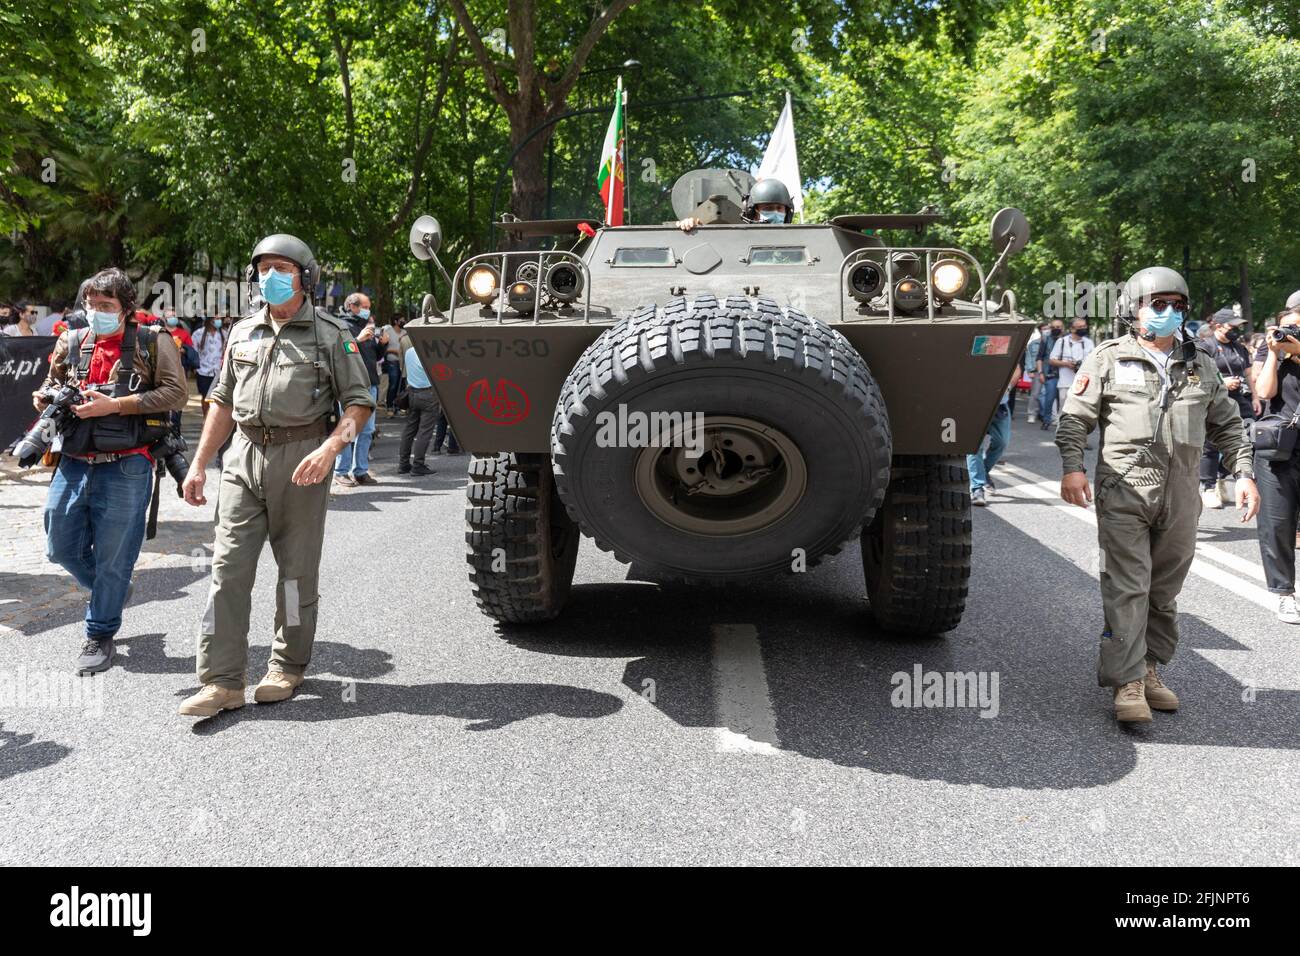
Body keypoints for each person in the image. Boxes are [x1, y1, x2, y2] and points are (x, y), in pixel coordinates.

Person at [178, 234, 374, 717]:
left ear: (304, 277)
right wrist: (200, 463)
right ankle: (222, 681)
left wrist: (332, 447)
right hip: (242, 459)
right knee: (227, 572)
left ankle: (286, 665)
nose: (270, 277)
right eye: (263, 268)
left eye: (281, 268)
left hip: (302, 459)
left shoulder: (332, 334)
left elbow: (360, 403)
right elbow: (221, 401)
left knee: (294, 574)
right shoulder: (243, 332)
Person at [1056, 266, 1259, 723]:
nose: (1169, 313)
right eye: (1159, 304)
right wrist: (1072, 469)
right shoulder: (1108, 358)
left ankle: (1149, 668)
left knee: (1164, 590)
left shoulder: (1200, 364)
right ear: (1134, 310)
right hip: (1126, 487)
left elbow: (1226, 425)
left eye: (1178, 306)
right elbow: (1074, 420)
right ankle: (1125, 683)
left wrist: (1243, 472)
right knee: (1129, 586)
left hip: (1183, 491)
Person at [36, 268, 188, 673]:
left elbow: (176, 393)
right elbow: (52, 383)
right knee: (59, 546)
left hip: (128, 464)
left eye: (106, 306)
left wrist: (115, 405)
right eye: (90, 304)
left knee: (113, 558)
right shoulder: (72, 340)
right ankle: (113, 589)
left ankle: (100, 632)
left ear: (126, 309)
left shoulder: (152, 341)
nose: (96, 312)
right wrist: (45, 399)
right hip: (73, 459)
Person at [1250, 307, 1300, 623]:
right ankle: (1283, 593)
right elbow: (1265, 391)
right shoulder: (1272, 353)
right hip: (1279, 450)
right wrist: (1273, 353)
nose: (1290, 332)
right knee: (1277, 524)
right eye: (1285, 327)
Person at [1197, 307, 1255, 510]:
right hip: (1214, 399)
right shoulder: (1205, 346)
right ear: (1219, 326)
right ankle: (1209, 487)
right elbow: (1196, 374)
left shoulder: (1238, 347)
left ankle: (1223, 473)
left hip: (1239, 399)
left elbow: (1249, 374)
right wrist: (1222, 381)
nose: (1236, 330)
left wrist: (1255, 397)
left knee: (1252, 438)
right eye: (1233, 326)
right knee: (1211, 445)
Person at [334, 291, 381, 487]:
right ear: (352, 307)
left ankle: (360, 471)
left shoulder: (365, 325)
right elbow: (341, 352)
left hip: (370, 383)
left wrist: (382, 344)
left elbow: (374, 356)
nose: (367, 311)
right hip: (350, 385)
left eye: (368, 307)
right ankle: (341, 471)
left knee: (367, 430)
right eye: (364, 307)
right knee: (348, 428)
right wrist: (358, 339)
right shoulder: (341, 326)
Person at [968, 364, 1022, 506]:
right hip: (973, 403)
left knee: (1002, 442)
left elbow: (1016, 369)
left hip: (1000, 404)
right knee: (974, 446)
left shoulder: (1008, 342)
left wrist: (1009, 387)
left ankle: (983, 472)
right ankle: (977, 488)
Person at [676, 177, 792, 231]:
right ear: (752, 211)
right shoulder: (737, 234)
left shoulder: (796, 238)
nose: (776, 212)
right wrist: (690, 226)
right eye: (769, 208)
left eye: (780, 208)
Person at [397, 334, 438, 476]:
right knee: (424, 432)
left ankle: (403, 464)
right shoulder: (428, 354)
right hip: (428, 394)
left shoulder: (409, 352)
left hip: (412, 394)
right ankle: (418, 465)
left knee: (409, 430)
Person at [1036, 318, 1065, 428]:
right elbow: (1039, 357)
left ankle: (1061, 421)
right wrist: (1040, 373)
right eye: (1053, 327)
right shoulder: (1046, 339)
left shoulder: (1067, 341)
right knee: (1049, 398)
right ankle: (1046, 420)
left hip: (1065, 375)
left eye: (1058, 327)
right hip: (1050, 374)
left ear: (1062, 328)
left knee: (1063, 400)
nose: (1055, 329)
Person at [379, 316, 404, 415]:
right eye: (401, 319)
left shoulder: (404, 332)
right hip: (392, 362)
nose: (403, 321)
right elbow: (383, 348)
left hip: (402, 362)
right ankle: (389, 406)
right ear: (395, 321)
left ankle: (398, 406)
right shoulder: (388, 331)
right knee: (393, 384)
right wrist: (393, 351)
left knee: (400, 385)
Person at [1024, 322, 1049, 423]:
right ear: (1040, 330)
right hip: (1036, 371)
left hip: (1049, 371)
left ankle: (1043, 414)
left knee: (1046, 394)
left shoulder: (1054, 342)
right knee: (1035, 394)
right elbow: (1029, 357)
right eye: (1044, 329)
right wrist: (1030, 370)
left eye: (1048, 328)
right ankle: (1031, 414)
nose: (1047, 331)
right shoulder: (1033, 344)